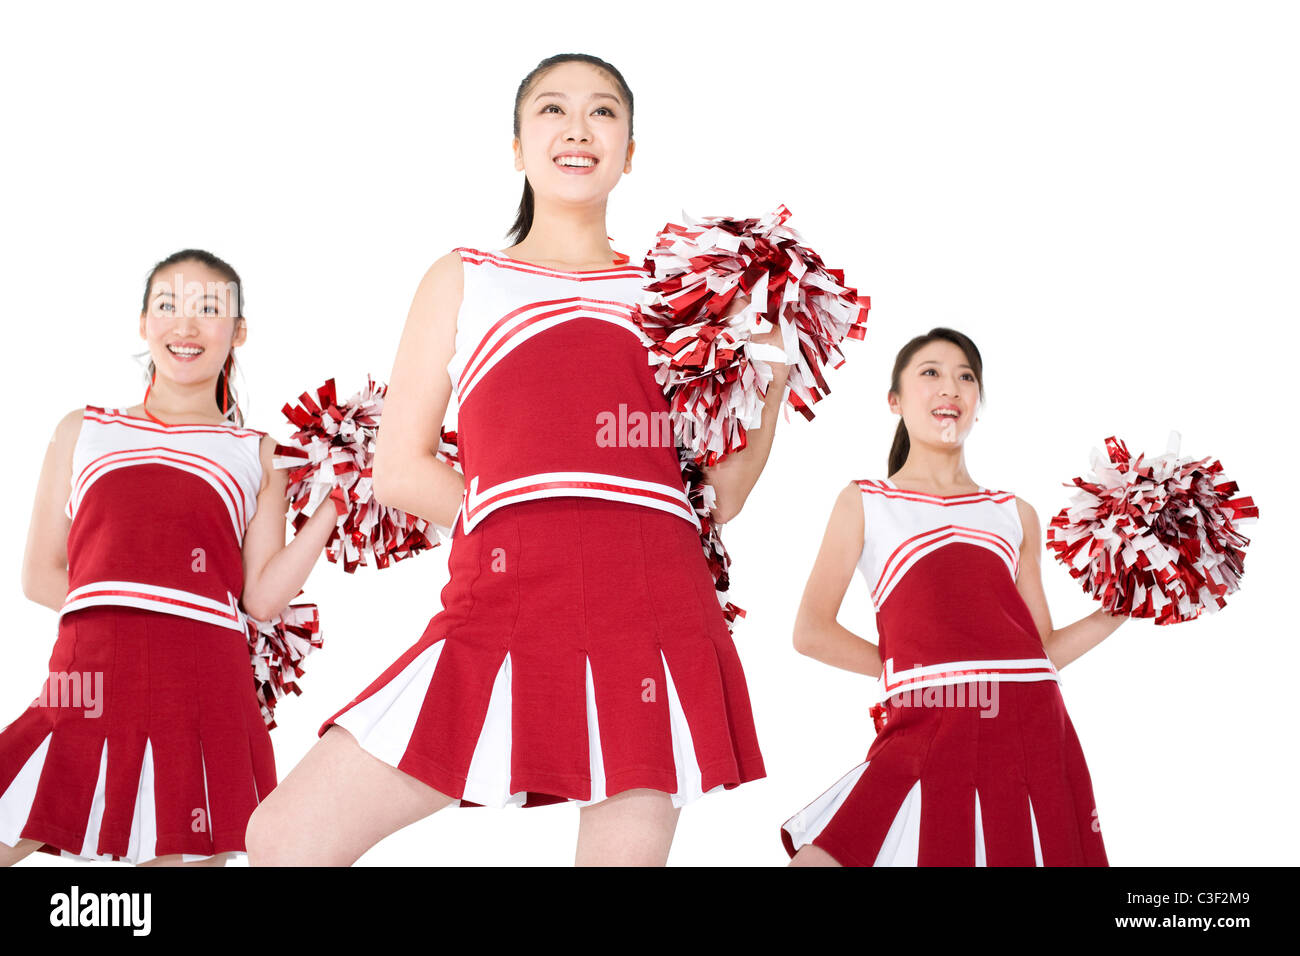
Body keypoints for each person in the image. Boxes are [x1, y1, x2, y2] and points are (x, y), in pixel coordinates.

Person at [246, 53, 783, 866]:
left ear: (630, 150)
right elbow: (399, 468)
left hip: (655, 600)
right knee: (286, 837)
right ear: (517, 145)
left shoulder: (678, 296)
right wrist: (524, 511)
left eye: (603, 113)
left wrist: (771, 372)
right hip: (505, 591)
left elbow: (719, 496)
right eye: (552, 110)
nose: (577, 128)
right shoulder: (466, 277)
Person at [0, 249, 338, 866]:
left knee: (179, 854)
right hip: (89, 679)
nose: (185, 327)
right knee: (16, 805)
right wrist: (128, 611)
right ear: (143, 323)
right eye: (168, 307)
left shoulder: (257, 452)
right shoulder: (84, 428)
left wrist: (334, 508)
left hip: (204, 683)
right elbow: (40, 575)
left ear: (237, 331)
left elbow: (261, 598)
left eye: (209, 309)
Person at [780, 328, 1124, 866]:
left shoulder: (1014, 513)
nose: (952, 387)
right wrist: (914, 676)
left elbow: (1043, 650)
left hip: (1033, 724)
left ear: (977, 405)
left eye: (966, 377)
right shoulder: (866, 501)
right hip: (926, 723)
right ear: (895, 400)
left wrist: (1121, 606)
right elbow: (811, 632)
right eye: (931, 373)